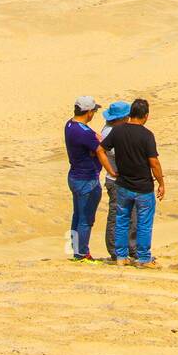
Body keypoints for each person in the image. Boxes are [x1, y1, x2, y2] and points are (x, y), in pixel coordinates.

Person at [102, 98, 164, 268]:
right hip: (142, 187)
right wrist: (161, 182)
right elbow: (154, 162)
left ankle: (121, 256)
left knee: (122, 220)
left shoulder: (117, 131)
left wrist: (110, 170)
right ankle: (143, 258)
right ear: (146, 116)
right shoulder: (146, 135)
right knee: (144, 223)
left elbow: (100, 149)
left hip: (123, 184)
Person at [64, 96, 116, 262]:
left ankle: (76, 248)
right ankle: (81, 253)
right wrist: (111, 171)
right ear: (88, 112)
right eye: (93, 111)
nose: (94, 114)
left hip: (75, 176)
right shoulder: (84, 133)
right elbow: (101, 151)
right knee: (86, 218)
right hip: (86, 179)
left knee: (78, 215)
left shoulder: (70, 124)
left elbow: (95, 143)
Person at [100, 100, 138, 262]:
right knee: (117, 216)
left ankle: (131, 248)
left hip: (125, 179)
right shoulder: (109, 132)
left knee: (131, 215)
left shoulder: (115, 130)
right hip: (115, 180)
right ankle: (115, 251)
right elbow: (119, 154)